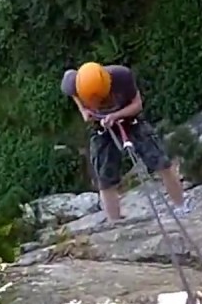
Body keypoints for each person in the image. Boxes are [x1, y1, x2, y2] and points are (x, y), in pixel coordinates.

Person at [61, 62, 190, 221]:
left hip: (131, 121)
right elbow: (73, 94)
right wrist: (84, 110)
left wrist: (115, 116)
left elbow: (137, 105)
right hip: (102, 128)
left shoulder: (122, 76)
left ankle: (181, 206)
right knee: (105, 178)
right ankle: (115, 223)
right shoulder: (75, 83)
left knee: (162, 162)